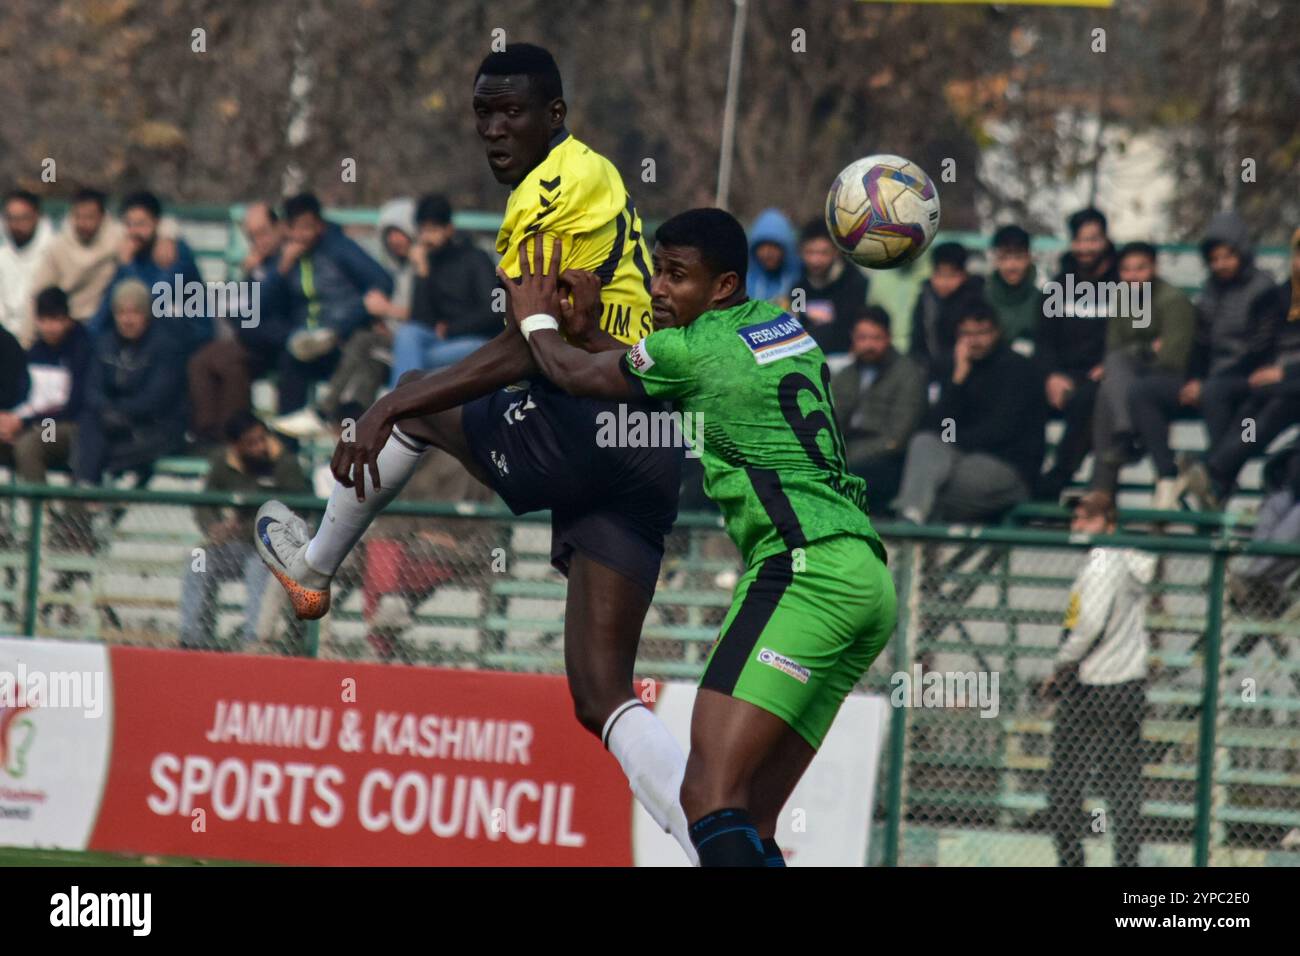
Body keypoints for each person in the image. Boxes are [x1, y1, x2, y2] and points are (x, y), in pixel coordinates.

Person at [252, 44, 697, 863]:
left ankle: (313, 572)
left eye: (511, 111)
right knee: (602, 696)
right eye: (482, 113)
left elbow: (531, 346)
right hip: (651, 442)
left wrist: (389, 402)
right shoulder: (593, 176)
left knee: (422, 401)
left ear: (553, 117)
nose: (493, 129)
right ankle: (721, 845)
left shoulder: (551, 190)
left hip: (586, 422)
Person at [502, 212, 895, 868]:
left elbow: (572, 375)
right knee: (751, 821)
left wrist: (536, 318)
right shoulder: (782, 325)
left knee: (707, 797)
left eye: (677, 276)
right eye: (658, 270)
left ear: (723, 286)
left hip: (804, 570)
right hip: (865, 579)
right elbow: (663, 372)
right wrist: (590, 332)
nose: (658, 289)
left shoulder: (691, 350)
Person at [1131, 212, 1277, 510]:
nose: (1220, 265)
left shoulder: (1263, 290)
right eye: (1214, 259)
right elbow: (1200, 343)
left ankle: (1216, 481)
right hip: (1209, 378)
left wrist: (1206, 383)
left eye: (1227, 257)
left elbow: (1259, 350)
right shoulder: (1210, 290)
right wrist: (1190, 379)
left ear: (1241, 253)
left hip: (1245, 378)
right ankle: (1168, 476)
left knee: (1216, 393)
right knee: (1143, 391)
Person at [1041, 491, 1154, 868]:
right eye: (1075, 519)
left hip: (1096, 687)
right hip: (1122, 685)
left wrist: (1062, 664)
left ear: (1109, 524)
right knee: (1119, 789)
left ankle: (1076, 861)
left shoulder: (1103, 563)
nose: (1077, 526)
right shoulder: (1120, 560)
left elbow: (1088, 625)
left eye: (1087, 519)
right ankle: (1124, 862)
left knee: (1066, 788)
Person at [1181, 225, 1300, 508]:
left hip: (1291, 384)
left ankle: (1214, 471)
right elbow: (1261, 347)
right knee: (1236, 397)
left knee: (1278, 400)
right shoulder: (1281, 296)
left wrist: (1285, 373)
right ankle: (1217, 481)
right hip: (1276, 379)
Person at [894, 305, 1046, 524]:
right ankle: (912, 523)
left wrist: (954, 442)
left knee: (927, 488)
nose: (975, 341)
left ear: (996, 333)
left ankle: (910, 534)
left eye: (982, 333)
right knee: (923, 442)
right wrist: (957, 381)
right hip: (959, 458)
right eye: (967, 334)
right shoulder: (954, 367)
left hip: (1007, 466)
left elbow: (1001, 431)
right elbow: (936, 427)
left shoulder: (1018, 369)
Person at [182, 412, 310, 649]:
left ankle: (253, 641)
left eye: (263, 438)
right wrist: (213, 526)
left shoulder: (284, 463)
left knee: (258, 567)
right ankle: (191, 637)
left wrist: (239, 528)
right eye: (252, 443)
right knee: (197, 560)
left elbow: (295, 513)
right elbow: (204, 503)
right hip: (233, 545)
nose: (260, 447)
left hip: (271, 550)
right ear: (236, 446)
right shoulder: (224, 461)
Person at [260, 192, 394, 415]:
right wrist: (281, 268)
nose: (303, 234)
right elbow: (261, 307)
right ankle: (288, 440)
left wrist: (347, 324)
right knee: (289, 360)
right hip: (304, 341)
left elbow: (381, 281)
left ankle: (324, 418)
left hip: (341, 338)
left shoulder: (339, 248)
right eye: (297, 227)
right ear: (287, 228)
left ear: (320, 225)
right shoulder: (284, 257)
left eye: (309, 227)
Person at [1088, 242, 1196, 496]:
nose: (1133, 276)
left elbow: (1172, 359)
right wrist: (1147, 348)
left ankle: (1104, 483)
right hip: (1133, 376)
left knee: (1121, 384)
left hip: (1171, 381)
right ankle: (1101, 494)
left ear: (1154, 268)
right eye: (1126, 270)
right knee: (1107, 386)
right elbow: (1114, 348)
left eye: (1140, 268)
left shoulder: (1173, 301)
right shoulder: (1123, 297)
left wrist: (1137, 352)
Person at [188, 202, 295, 446]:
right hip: (251, 337)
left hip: (278, 341)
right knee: (201, 360)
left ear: (279, 228)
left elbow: (267, 303)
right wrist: (249, 276)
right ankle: (206, 433)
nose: (259, 241)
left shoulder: (288, 260)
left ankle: (234, 439)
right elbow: (238, 309)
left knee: (231, 364)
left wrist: (265, 275)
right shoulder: (258, 264)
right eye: (252, 236)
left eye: (264, 233)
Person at [1035, 208, 1120, 501]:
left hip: (1102, 376)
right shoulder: (1057, 286)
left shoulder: (1125, 284)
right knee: (1019, 393)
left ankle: (1058, 478)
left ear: (1105, 240)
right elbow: (1043, 340)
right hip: (1064, 375)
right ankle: (1020, 479)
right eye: (1080, 241)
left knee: (1091, 399)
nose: (1086, 248)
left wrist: (1111, 363)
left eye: (1093, 240)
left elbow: (1136, 336)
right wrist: (1051, 376)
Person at [75, 279, 187, 486]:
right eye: (121, 313)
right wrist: (108, 411)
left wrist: (118, 411)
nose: (127, 320)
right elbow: (92, 389)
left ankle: (87, 498)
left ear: (147, 315)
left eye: (135, 312)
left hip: (155, 427)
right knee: (88, 423)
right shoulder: (104, 343)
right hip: (113, 423)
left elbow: (156, 398)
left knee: (94, 452)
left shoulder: (166, 346)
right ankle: (84, 491)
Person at [389, 193, 499, 384]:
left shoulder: (475, 258)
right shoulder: (428, 261)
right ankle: (403, 405)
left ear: (448, 229)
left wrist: (452, 329)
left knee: (416, 358)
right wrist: (422, 273)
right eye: (422, 230)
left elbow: (495, 311)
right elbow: (420, 320)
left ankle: (400, 405)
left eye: (432, 230)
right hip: (441, 341)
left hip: (477, 341)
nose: (426, 237)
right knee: (407, 334)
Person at [90, 190, 212, 355]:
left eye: (141, 224)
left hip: (188, 334)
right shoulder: (133, 253)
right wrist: (90, 335)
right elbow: (111, 299)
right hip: (147, 333)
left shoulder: (175, 252)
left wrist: (127, 266)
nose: (134, 232)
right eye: (129, 224)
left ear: (157, 223)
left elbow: (152, 301)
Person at [829, 307, 926, 513]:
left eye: (876, 338)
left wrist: (847, 456)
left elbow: (896, 439)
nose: (868, 345)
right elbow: (829, 421)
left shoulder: (908, 373)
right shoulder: (846, 374)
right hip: (845, 451)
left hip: (885, 461)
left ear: (888, 338)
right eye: (862, 338)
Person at [0, 287, 92, 483]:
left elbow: (71, 405)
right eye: (44, 320)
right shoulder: (35, 352)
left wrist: (23, 422)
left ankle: (43, 511)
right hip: (33, 423)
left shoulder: (81, 351)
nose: (50, 327)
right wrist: (8, 421)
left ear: (67, 319)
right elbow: (24, 396)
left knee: (30, 445)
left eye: (56, 319)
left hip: (64, 426)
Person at [25, 187, 124, 339]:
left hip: (106, 326)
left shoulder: (118, 239)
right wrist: (28, 338)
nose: (82, 223)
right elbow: (39, 293)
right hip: (66, 327)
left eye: (89, 217)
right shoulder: (58, 246)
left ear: (103, 217)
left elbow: (158, 226)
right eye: (78, 216)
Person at [787, 217, 869, 355]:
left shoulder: (854, 283)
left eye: (823, 253)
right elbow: (797, 324)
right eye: (810, 252)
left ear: (836, 252)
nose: (816, 260)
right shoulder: (798, 289)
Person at [908, 241, 984, 382]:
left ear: (964, 274)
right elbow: (917, 337)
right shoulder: (925, 296)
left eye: (951, 276)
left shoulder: (975, 298)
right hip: (929, 371)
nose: (944, 283)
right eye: (940, 275)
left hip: (966, 372)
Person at [0, 189, 55, 345]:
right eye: (11, 218)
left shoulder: (52, 252)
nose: (16, 225)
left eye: (23, 218)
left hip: (41, 340)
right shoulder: (2, 255)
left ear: (37, 216)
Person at [983, 224, 1043, 348]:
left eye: (1018, 257)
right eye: (1004, 258)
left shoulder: (1042, 301)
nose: (1011, 266)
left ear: (1029, 258)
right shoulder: (982, 299)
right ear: (995, 259)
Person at [745, 208, 799, 303]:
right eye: (762, 247)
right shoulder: (743, 284)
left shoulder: (798, 279)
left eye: (774, 247)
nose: (767, 253)